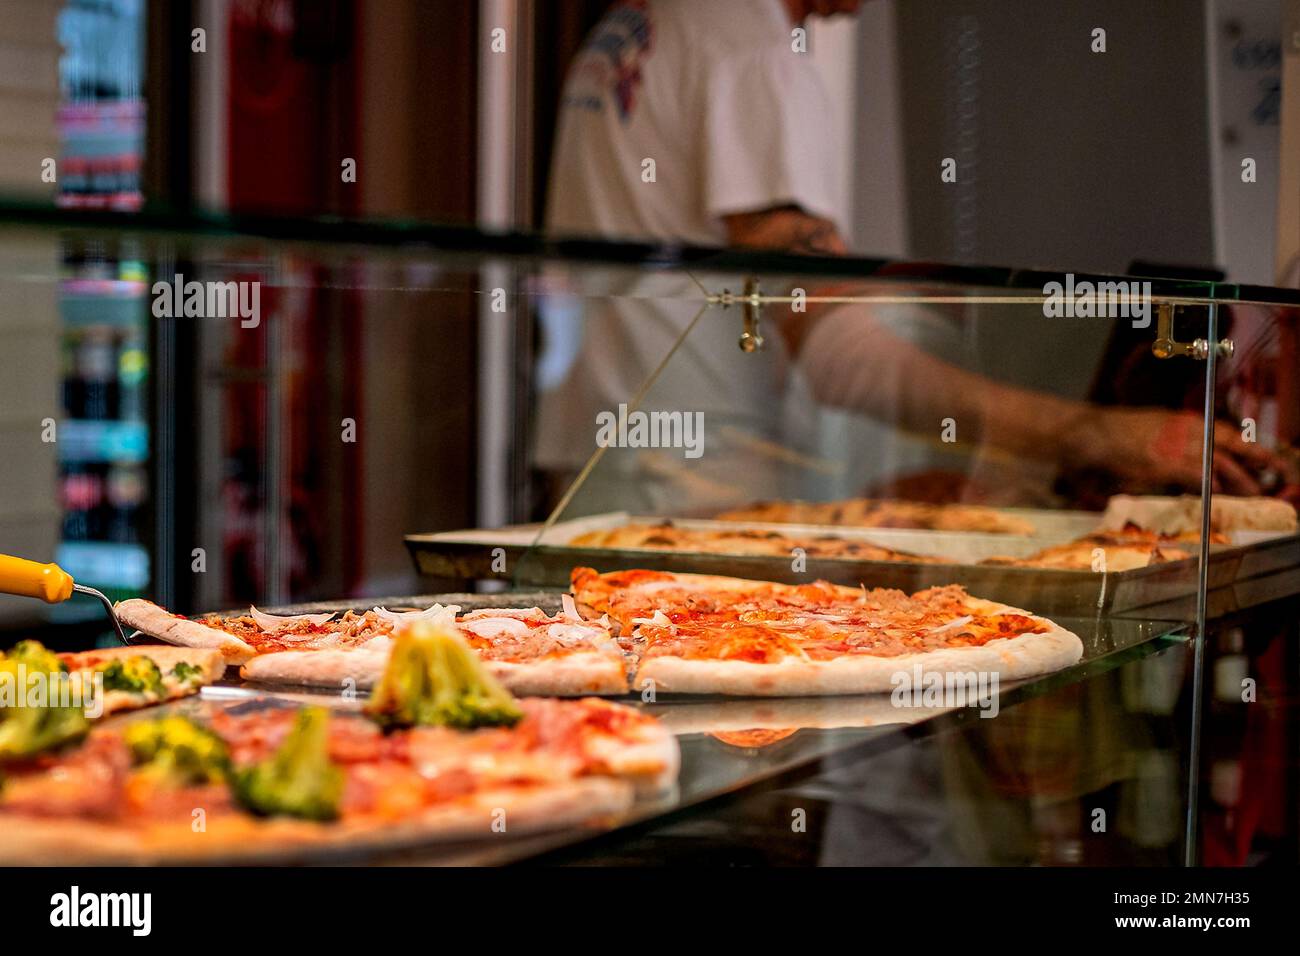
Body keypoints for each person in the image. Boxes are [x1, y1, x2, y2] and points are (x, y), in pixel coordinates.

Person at [536, 0, 1286, 518]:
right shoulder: (755, 50)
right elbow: (835, 350)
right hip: (689, 491)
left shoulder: (641, 22)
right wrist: (1095, 433)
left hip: (602, 465)